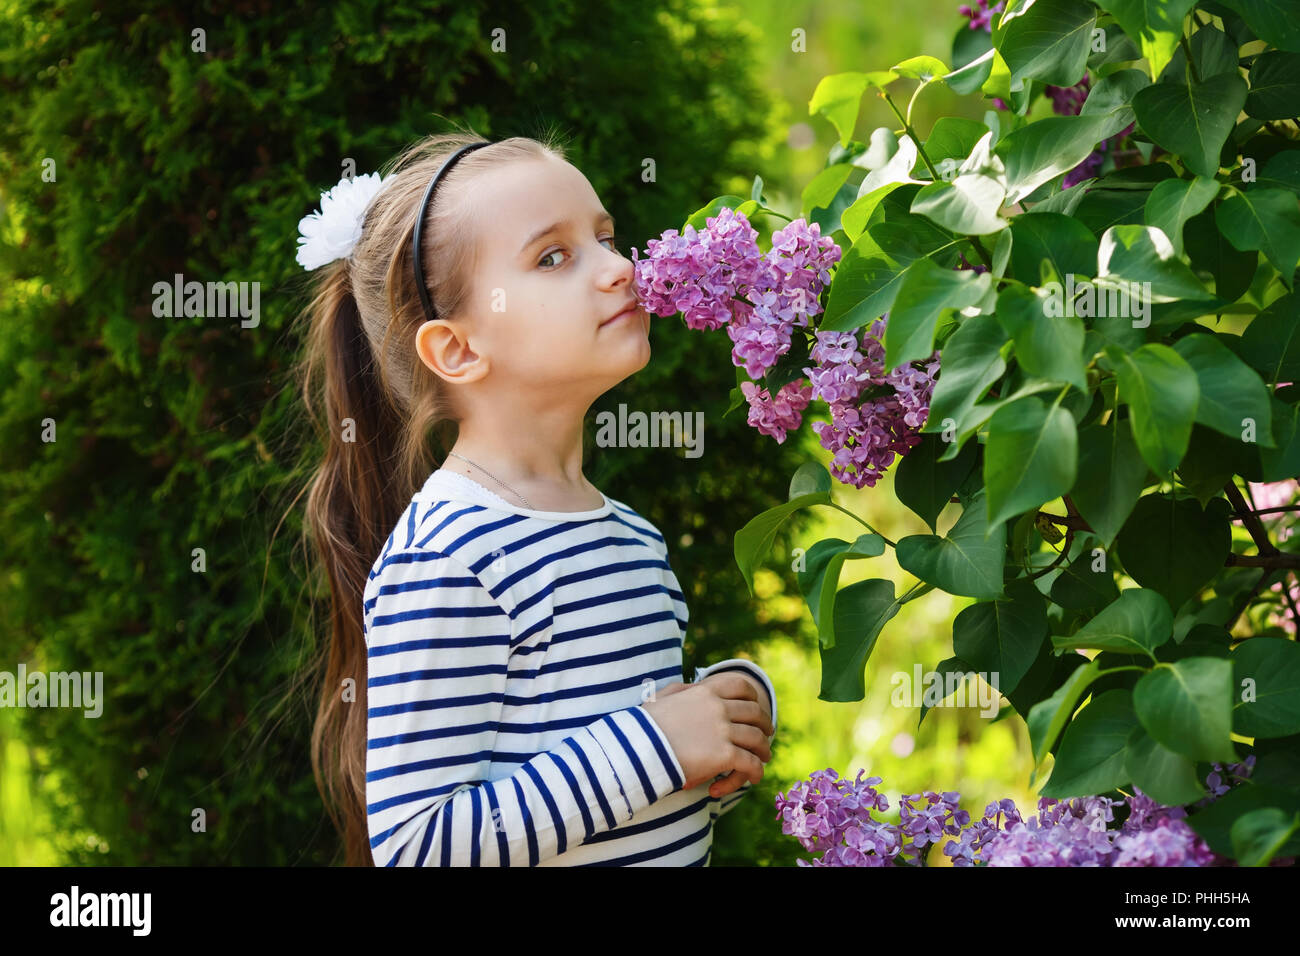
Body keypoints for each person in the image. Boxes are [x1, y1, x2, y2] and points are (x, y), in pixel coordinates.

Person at [295, 129, 778, 866]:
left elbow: (630, 800)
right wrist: (659, 745)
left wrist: (721, 720)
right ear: (456, 349)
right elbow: (418, 845)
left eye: (608, 237)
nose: (619, 268)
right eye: (553, 256)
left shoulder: (632, 538)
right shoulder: (451, 554)